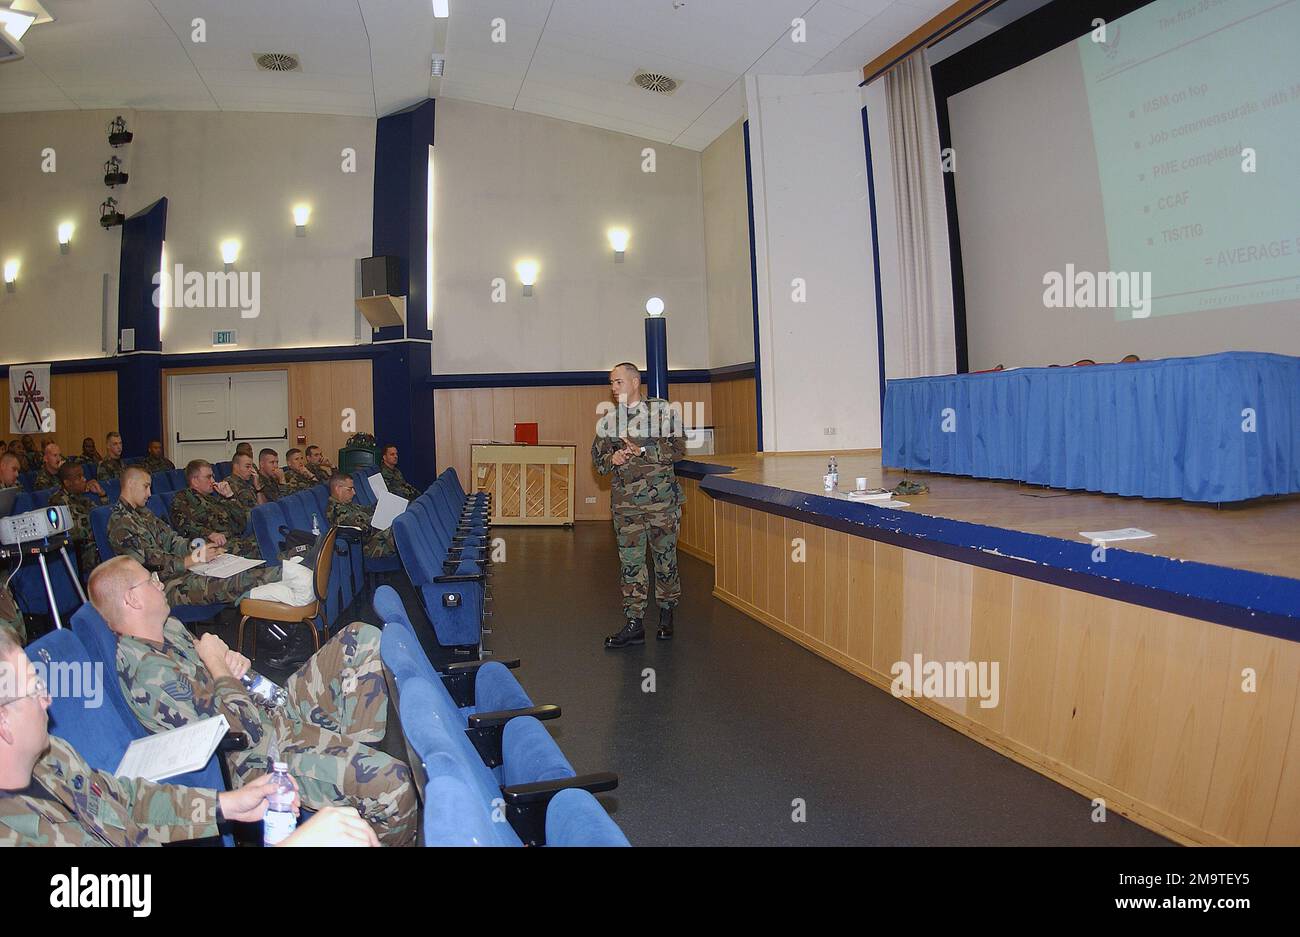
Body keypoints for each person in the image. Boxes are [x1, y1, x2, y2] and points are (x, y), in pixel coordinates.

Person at [93, 557, 417, 846]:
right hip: (257, 758)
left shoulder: (170, 628)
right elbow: (242, 734)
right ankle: (359, 786)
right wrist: (218, 664)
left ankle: (349, 775)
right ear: (132, 599)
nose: (159, 581)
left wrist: (232, 662)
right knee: (396, 786)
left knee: (361, 637)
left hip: (267, 712)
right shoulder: (149, 673)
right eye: (149, 580)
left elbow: (222, 672)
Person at [0, 624, 378, 846]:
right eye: (34, 688)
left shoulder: (52, 758)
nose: (48, 699)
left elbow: (126, 798)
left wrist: (227, 804)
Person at [106, 466, 308, 608]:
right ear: (131, 484)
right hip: (157, 585)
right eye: (146, 486)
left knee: (230, 569)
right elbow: (144, 565)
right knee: (229, 583)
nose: (150, 493)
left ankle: (293, 572)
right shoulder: (121, 523)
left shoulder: (143, 513)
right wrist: (189, 560)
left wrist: (200, 552)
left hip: (179, 571)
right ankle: (290, 574)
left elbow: (172, 540)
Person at [591, 363, 686, 648]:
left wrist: (644, 450)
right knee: (631, 564)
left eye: (618, 382)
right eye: (611, 383)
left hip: (662, 505)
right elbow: (598, 461)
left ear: (635, 382)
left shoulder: (663, 411)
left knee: (665, 560)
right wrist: (613, 460)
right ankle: (634, 623)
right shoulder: (609, 421)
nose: (614, 388)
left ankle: (667, 612)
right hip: (626, 507)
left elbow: (679, 449)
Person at [170, 459, 261, 559]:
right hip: (211, 545)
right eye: (208, 477)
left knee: (264, 540)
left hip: (233, 540)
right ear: (195, 481)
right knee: (261, 549)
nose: (213, 481)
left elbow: (241, 523)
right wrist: (210, 534)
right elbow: (184, 526)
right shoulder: (183, 498)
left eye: (213, 476)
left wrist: (230, 496)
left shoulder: (215, 498)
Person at [48, 462, 110, 577]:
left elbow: (104, 516)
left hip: (96, 542)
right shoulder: (58, 501)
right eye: (79, 477)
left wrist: (102, 495)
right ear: (67, 483)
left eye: (83, 475)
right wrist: (99, 530)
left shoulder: (81, 497)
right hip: (82, 551)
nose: (84, 479)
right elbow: (74, 533)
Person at [326, 474, 395, 558]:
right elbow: (366, 530)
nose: (354, 493)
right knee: (398, 530)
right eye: (350, 489)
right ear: (338, 489)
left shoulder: (346, 504)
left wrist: (382, 503)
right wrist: (383, 518)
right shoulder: (338, 511)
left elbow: (366, 509)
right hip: (366, 547)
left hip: (374, 537)